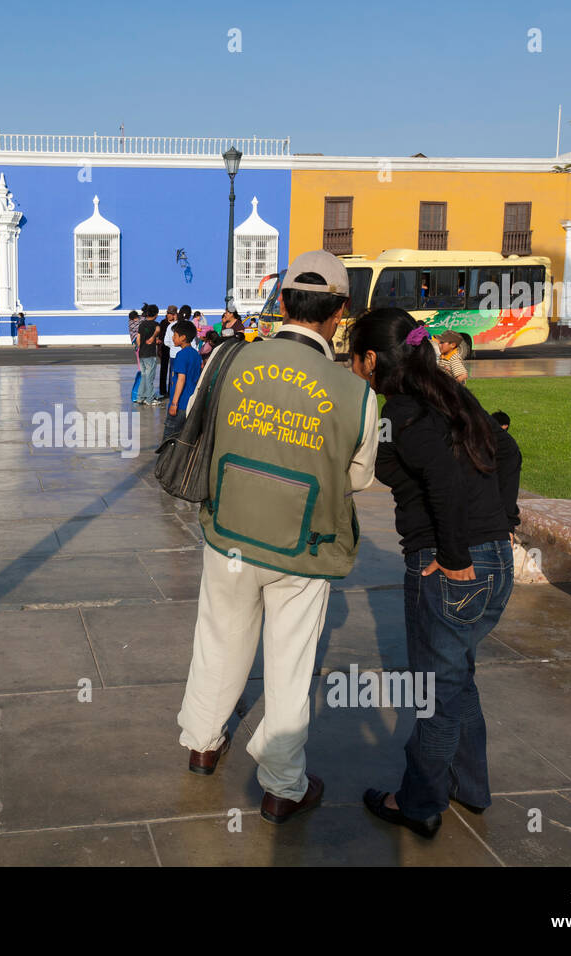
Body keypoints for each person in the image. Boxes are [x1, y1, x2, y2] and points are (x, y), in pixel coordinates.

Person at [177, 251, 379, 825]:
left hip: (230, 531)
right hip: (304, 545)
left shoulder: (228, 358)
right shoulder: (355, 393)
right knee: (290, 665)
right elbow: (359, 476)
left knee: (219, 640)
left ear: (283, 302)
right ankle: (281, 785)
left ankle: (202, 741)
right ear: (339, 312)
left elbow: (199, 424)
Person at [347, 307, 521, 839]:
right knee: (456, 680)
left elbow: (443, 482)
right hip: (495, 563)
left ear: (371, 360)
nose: (350, 363)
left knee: (436, 693)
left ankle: (419, 802)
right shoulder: (449, 395)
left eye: (352, 355)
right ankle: (469, 785)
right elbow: (508, 451)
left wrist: (455, 556)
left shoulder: (402, 410)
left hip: (451, 567)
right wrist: (503, 521)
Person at [163, 319, 199, 441]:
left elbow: (181, 380)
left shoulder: (181, 355)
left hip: (180, 404)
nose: (173, 338)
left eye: (175, 335)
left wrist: (174, 403)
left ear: (183, 337)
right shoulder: (195, 354)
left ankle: (166, 460)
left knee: (169, 438)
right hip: (191, 402)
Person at [136, 309, 161, 406]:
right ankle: (149, 399)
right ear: (155, 314)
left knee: (144, 376)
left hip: (142, 353)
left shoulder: (142, 324)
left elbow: (138, 337)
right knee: (149, 377)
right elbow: (158, 330)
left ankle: (140, 397)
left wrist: (141, 347)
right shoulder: (155, 324)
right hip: (150, 354)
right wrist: (153, 337)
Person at [158, 305, 176, 398]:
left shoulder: (177, 323)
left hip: (174, 348)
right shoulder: (163, 323)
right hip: (165, 347)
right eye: (168, 313)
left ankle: (171, 390)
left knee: (172, 370)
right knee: (163, 369)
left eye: (171, 313)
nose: (169, 315)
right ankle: (162, 390)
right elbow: (161, 336)